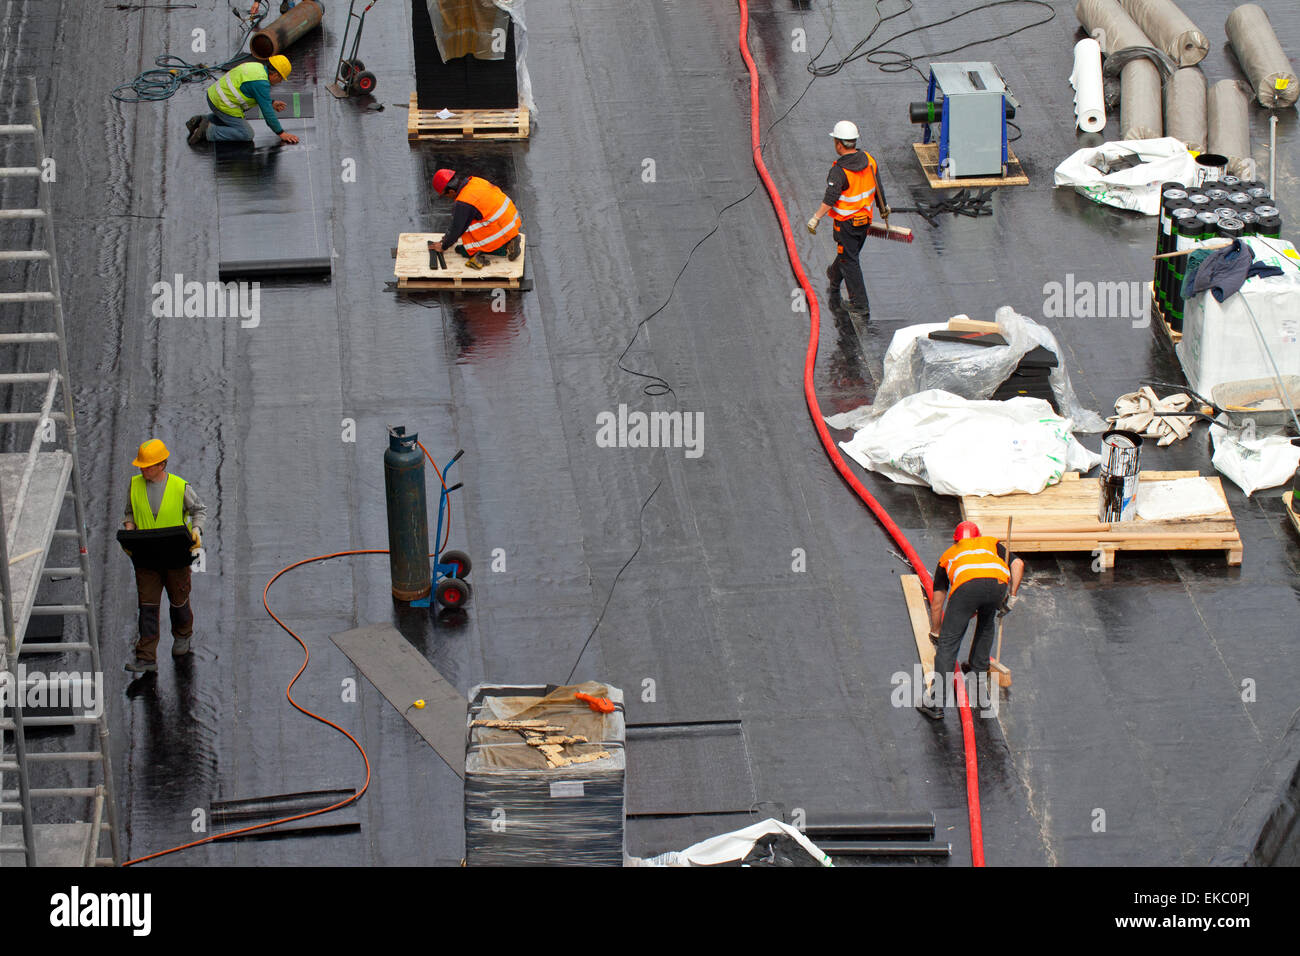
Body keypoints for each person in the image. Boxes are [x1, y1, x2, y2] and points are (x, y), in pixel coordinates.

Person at [920, 521, 1023, 719]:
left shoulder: (948, 556)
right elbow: (1017, 564)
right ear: (978, 536)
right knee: (986, 622)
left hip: (966, 589)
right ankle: (977, 671)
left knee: (948, 644)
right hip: (997, 584)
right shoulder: (991, 544)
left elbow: (937, 604)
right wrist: (1012, 596)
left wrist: (936, 632)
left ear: (956, 540)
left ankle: (935, 703)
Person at [122, 439, 207, 673]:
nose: (142, 469)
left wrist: (196, 530)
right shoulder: (134, 485)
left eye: (147, 466)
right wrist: (129, 528)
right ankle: (146, 657)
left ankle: (182, 635)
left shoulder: (179, 487)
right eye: (141, 466)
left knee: (178, 601)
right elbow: (129, 511)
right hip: (146, 557)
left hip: (175, 556)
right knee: (147, 607)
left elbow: (198, 510)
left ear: (161, 464)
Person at [806, 120, 889, 321]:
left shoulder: (839, 170)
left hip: (847, 225)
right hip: (865, 221)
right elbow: (878, 187)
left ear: (839, 144)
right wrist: (883, 207)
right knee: (848, 255)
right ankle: (834, 275)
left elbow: (831, 198)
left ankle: (860, 305)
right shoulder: (869, 160)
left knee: (850, 261)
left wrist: (816, 217)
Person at [186, 54, 300, 146]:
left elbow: (253, 91)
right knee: (246, 134)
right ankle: (207, 132)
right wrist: (281, 133)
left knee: (230, 118)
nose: (280, 82)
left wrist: (271, 102)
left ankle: (202, 120)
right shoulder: (262, 83)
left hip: (213, 96)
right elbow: (268, 113)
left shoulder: (256, 67)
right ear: (276, 74)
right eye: (281, 79)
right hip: (223, 103)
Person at [429, 168, 523, 269]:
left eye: (445, 195)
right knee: (470, 218)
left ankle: (504, 248)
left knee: (464, 249)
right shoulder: (475, 181)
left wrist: (443, 245)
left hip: (500, 229)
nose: (448, 198)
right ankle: (510, 239)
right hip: (509, 223)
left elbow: (456, 228)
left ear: (451, 191)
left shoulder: (463, 202)